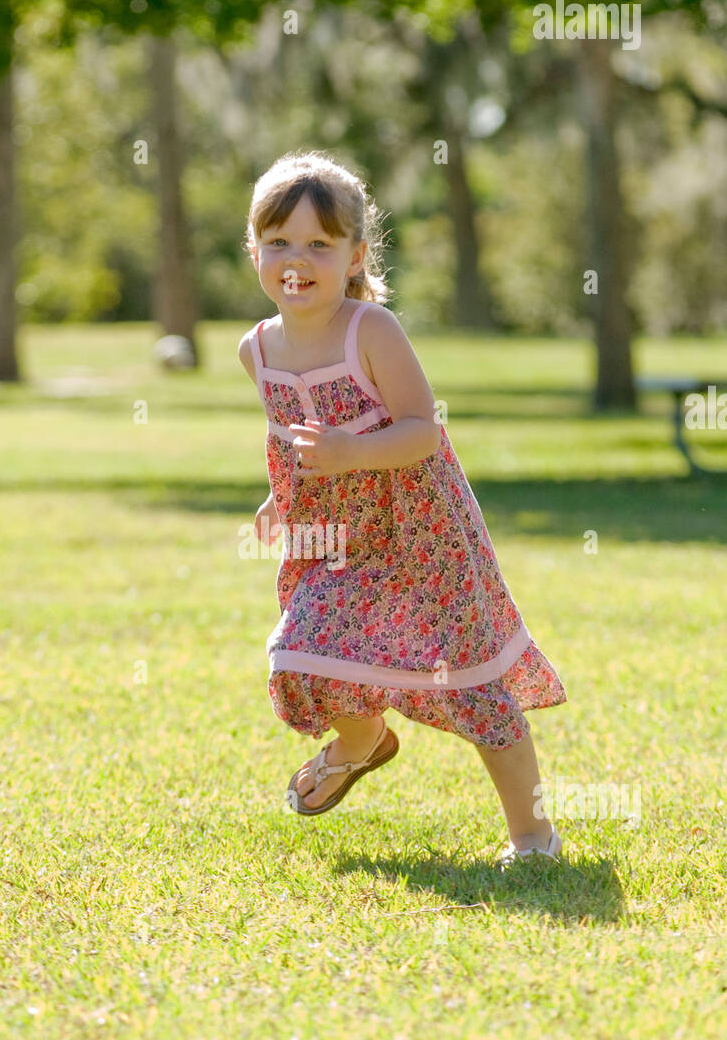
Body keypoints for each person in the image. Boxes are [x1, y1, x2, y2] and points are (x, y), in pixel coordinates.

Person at [238, 151, 567, 867]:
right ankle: (361, 743)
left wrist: (354, 454)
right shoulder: (256, 349)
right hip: (338, 534)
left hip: (421, 528)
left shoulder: (370, 332)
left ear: (355, 255)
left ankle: (533, 837)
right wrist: (278, 496)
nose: (297, 260)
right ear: (253, 250)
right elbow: (283, 432)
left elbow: (423, 430)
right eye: (279, 242)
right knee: (304, 649)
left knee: (470, 675)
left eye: (319, 245)